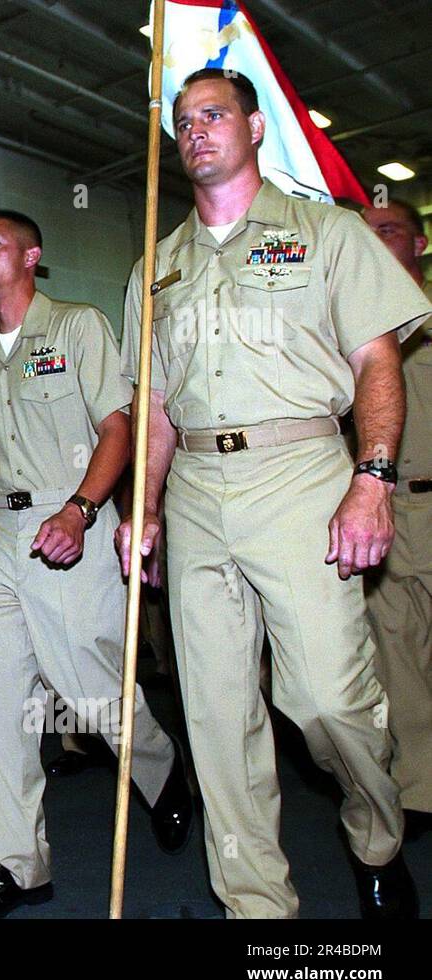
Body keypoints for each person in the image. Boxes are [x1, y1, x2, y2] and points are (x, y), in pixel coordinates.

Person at [117, 69, 429, 918]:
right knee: (217, 718)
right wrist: (142, 507)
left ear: (255, 128)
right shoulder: (156, 267)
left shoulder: (326, 234)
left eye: (214, 115)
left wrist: (371, 477)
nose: (196, 131)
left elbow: (376, 361)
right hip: (194, 493)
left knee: (328, 700)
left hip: (301, 476)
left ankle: (375, 827)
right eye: (183, 121)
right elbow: (153, 409)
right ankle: (258, 910)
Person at [0, 210, 191, 918]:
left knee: (87, 689)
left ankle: (160, 765)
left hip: (70, 511)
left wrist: (82, 510)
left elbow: (119, 427)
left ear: (32, 256)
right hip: (2, 538)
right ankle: (19, 866)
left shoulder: (78, 326)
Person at [360, 198, 432, 840]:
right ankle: (420, 791)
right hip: (386, 510)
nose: (375, 241)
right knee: (397, 659)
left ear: (420, 244)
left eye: (388, 230)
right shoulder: (351, 335)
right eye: (364, 234)